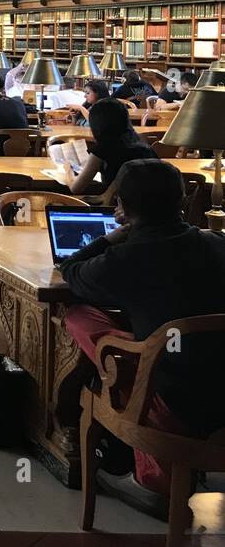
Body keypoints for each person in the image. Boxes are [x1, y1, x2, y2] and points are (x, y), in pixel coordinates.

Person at [59, 159, 225, 519]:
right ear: (183, 200)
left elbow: (69, 271)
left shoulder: (125, 258)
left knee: (77, 315)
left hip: (174, 403)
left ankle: (151, 479)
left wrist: (111, 236)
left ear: (122, 206)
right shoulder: (217, 243)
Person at [63, 97, 157, 196]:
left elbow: (76, 188)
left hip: (118, 205)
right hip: (146, 202)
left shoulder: (103, 148)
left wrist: (68, 171)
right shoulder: (141, 143)